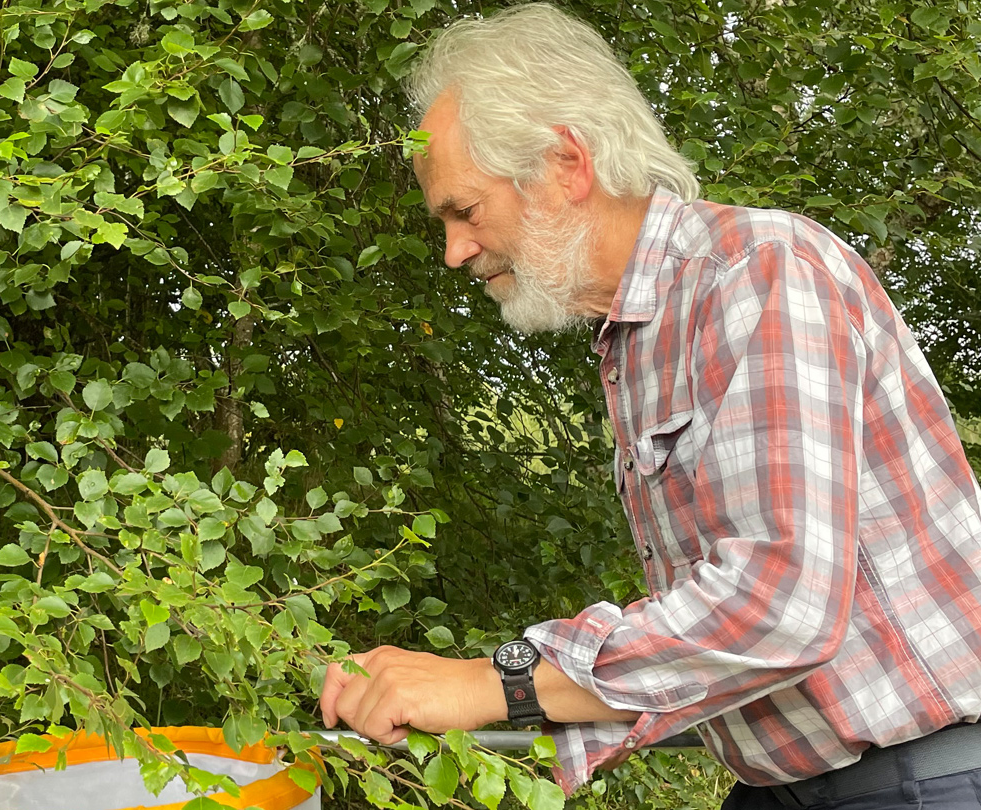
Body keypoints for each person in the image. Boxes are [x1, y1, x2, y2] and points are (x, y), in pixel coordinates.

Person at [317, 5, 981, 810]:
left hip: (926, 779)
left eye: (464, 210)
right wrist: (471, 736)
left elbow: (783, 607)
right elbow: (712, 650)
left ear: (565, 163)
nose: (455, 250)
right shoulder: (635, 339)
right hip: (788, 785)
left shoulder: (759, 273)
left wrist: (499, 681)